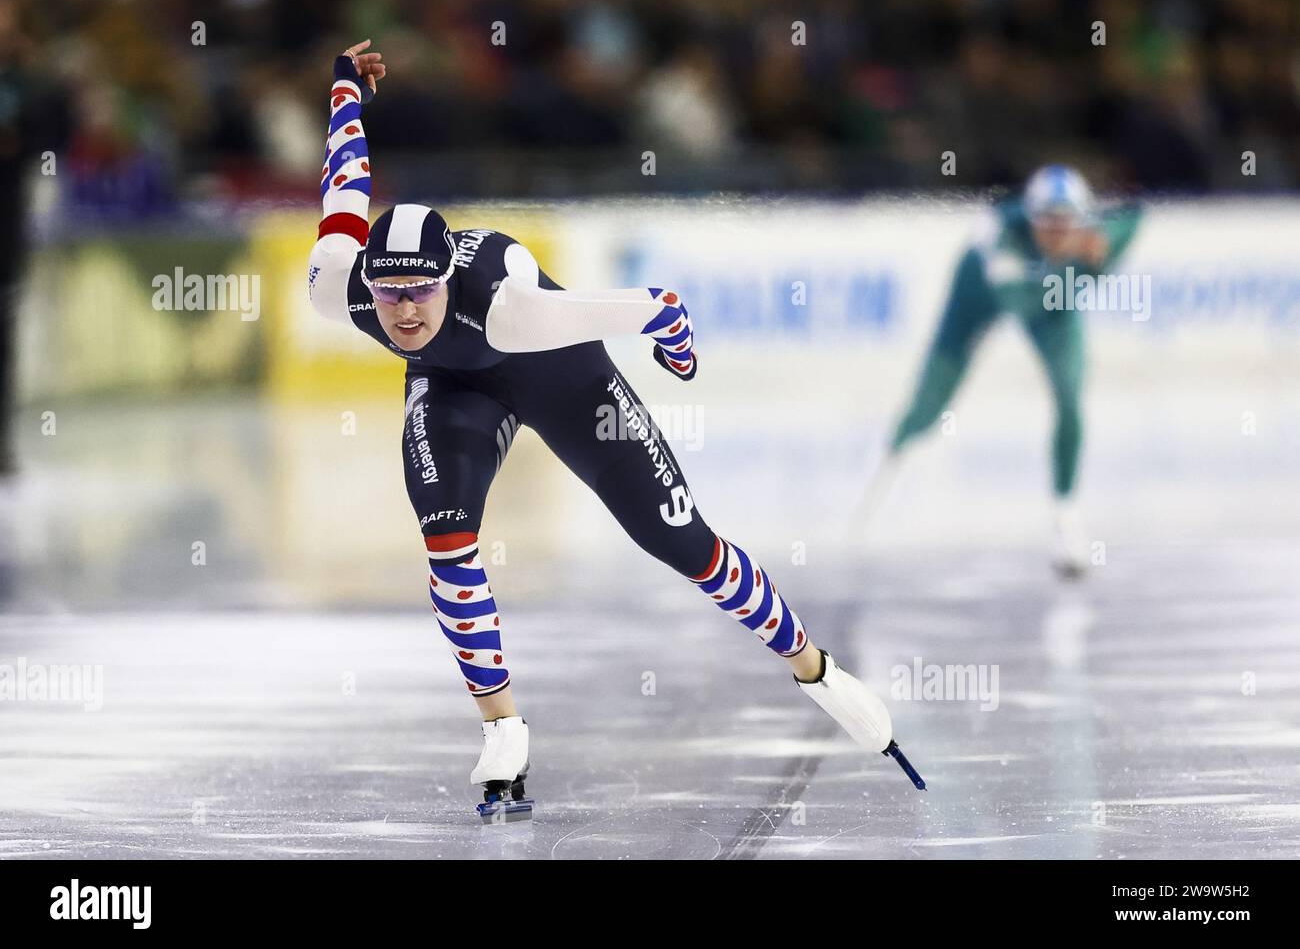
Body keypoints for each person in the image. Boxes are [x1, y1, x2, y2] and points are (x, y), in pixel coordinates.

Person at [307, 41, 923, 820]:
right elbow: (343, 186)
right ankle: (503, 729)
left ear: (445, 279)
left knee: (684, 543)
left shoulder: (509, 304)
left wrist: (677, 343)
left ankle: (816, 669)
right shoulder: (340, 287)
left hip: (555, 368)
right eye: (389, 292)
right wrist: (344, 92)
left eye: (420, 291)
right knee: (446, 535)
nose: (403, 310)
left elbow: (657, 304)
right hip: (454, 387)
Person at [869, 165, 1142, 577]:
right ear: (1029, 221)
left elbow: (1135, 217)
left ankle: (1066, 518)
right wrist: (1074, 264)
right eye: (1045, 226)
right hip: (978, 291)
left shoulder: (1100, 230)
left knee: (1070, 399)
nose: (1054, 234)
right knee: (930, 405)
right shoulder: (999, 239)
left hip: (1053, 293)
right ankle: (886, 464)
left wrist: (1102, 248)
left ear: (1083, 221)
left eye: (1064, 225)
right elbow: (1027, 305)